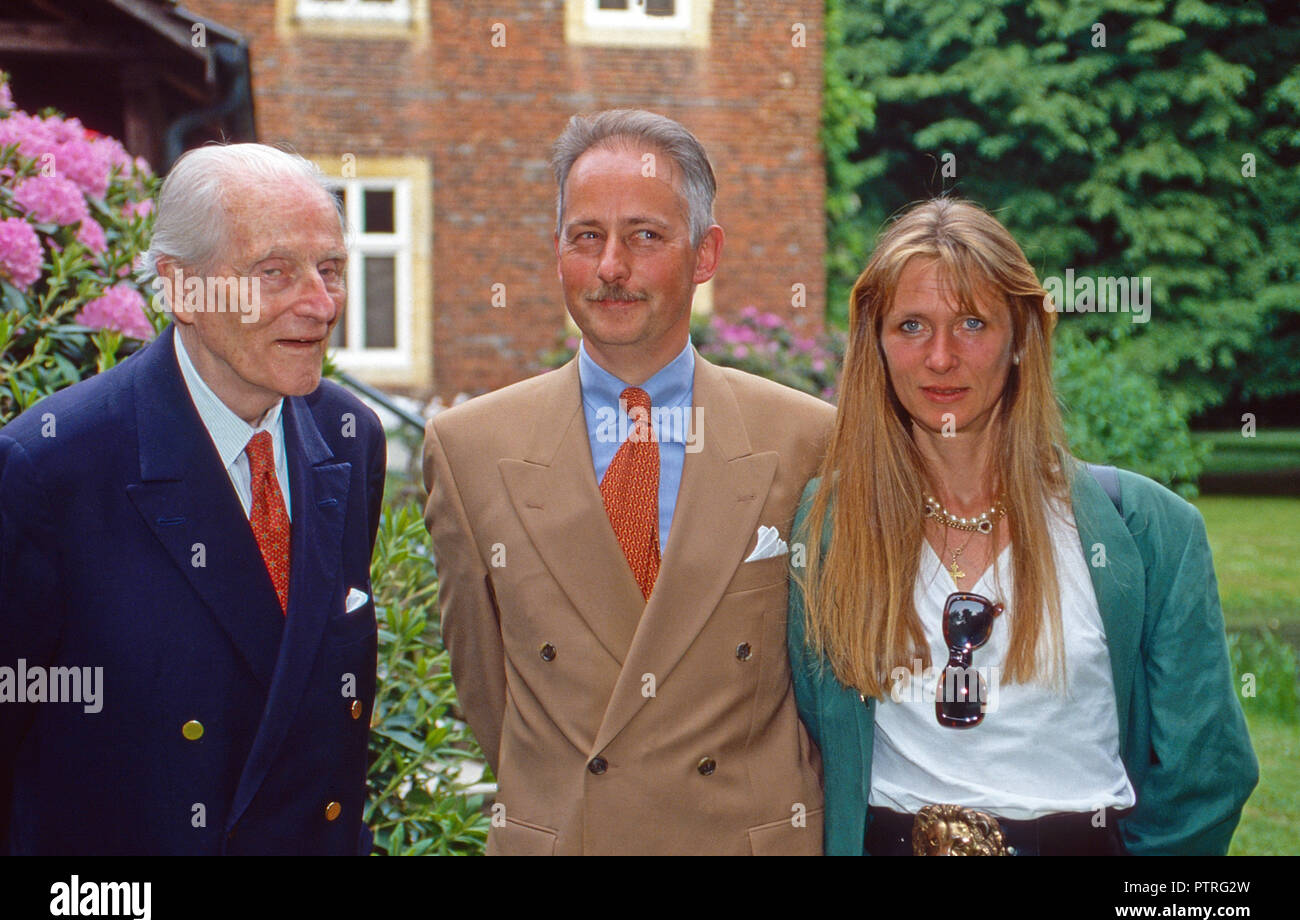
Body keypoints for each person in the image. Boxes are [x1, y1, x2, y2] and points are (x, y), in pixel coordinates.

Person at [788, 197, 1257, 856]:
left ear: (1022, 337)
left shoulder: (1151, 531)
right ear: (876, 342)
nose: (941, 357)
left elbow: (1207, 778)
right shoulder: (828, 526)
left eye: (973, 322)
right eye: (912, 325)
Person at [423, 109, 833, 855]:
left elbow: (827, 679)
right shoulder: (468, 448)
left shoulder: (805, 438)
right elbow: (489, 693)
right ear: (557, 253)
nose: (612, 266)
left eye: (646, 235)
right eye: (587, 237)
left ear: (705, 254)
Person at [0, 143, 386, 854]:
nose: (321, 302)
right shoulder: (50, 466)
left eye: (330, 268)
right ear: (181, 288)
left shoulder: (350, 436)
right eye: (275, 272)